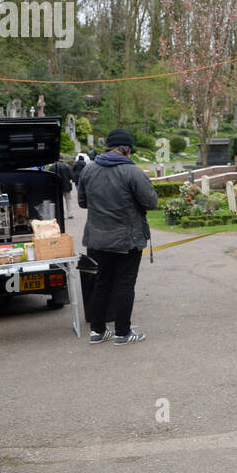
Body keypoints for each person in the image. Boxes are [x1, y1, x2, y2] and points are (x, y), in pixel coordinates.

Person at [77, 128, 159, 345]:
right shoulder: (133, 172)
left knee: (102, 282)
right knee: (124, 284)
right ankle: (122, 332)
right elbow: (151, 202)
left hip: (97, 238)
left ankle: (98, 330)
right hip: (127, 240)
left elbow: (83, 202)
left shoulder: (89, 170)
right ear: (127, 148)